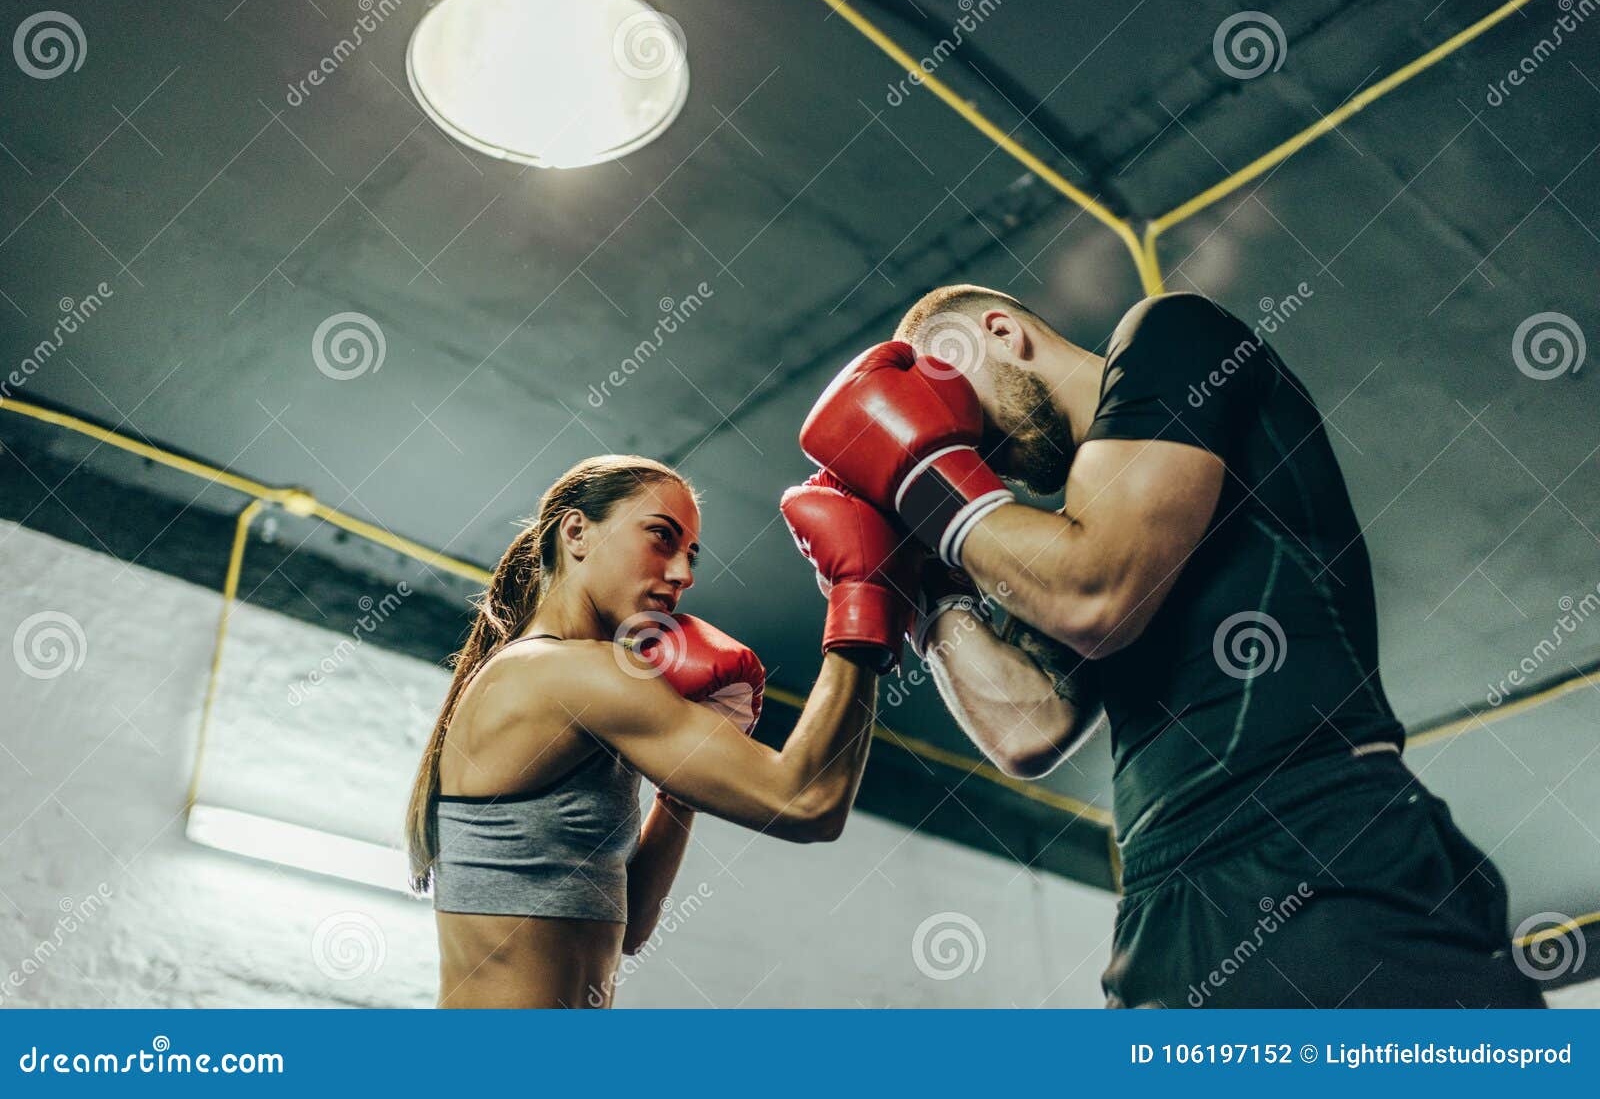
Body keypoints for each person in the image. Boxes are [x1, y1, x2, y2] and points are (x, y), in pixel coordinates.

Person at [799, 284, 1544, 1008]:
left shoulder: (1174, 336)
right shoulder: (1074, 531)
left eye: (957, 409)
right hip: (1162, 901)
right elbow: (1025, 729)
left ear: (1001, 331)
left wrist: (920, 479)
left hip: (1319, 838)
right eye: (939, 434)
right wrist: (927, 590)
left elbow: (1095, 597)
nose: (968, 445)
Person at [404, 454, 915, 1008]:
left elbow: (631, 925)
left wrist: (681, 789)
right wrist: (862, 599)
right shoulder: (563, 673)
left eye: (690, 555)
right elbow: (809, 803)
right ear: (576, 533)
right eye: (661, 537)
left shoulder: (578, 685)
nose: (682, 574)